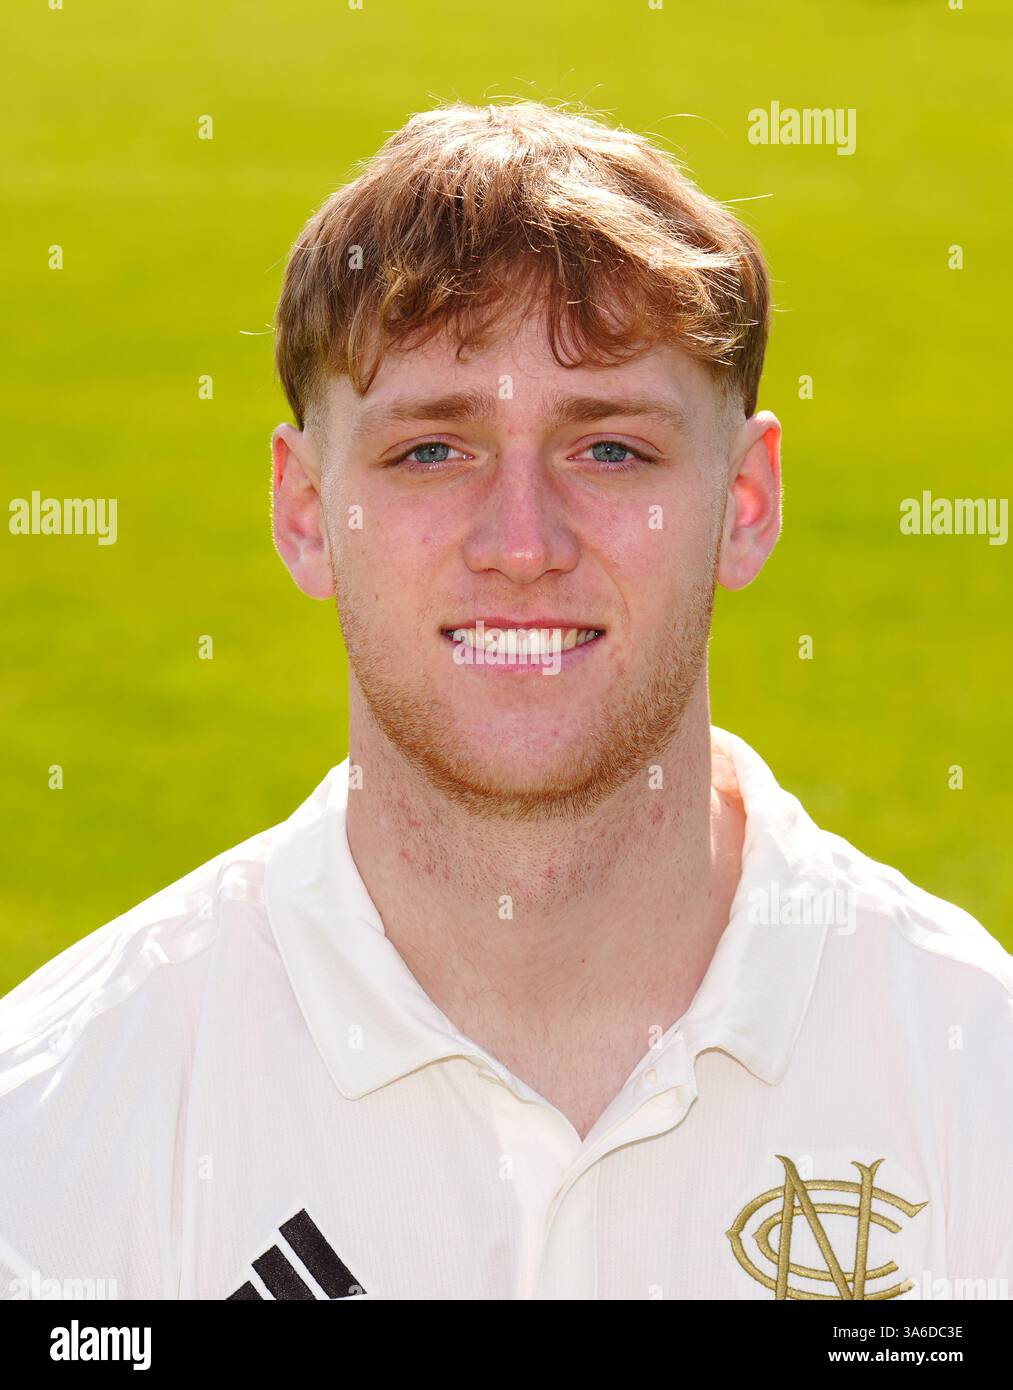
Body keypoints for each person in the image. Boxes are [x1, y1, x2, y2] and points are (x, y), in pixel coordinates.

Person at [1, 102, 1009, 1302]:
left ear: (743, 501)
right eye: (432, 450)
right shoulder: (52, 1132)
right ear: (306, 511)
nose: (520, 545)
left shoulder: (972, 1076)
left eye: (609, 451)